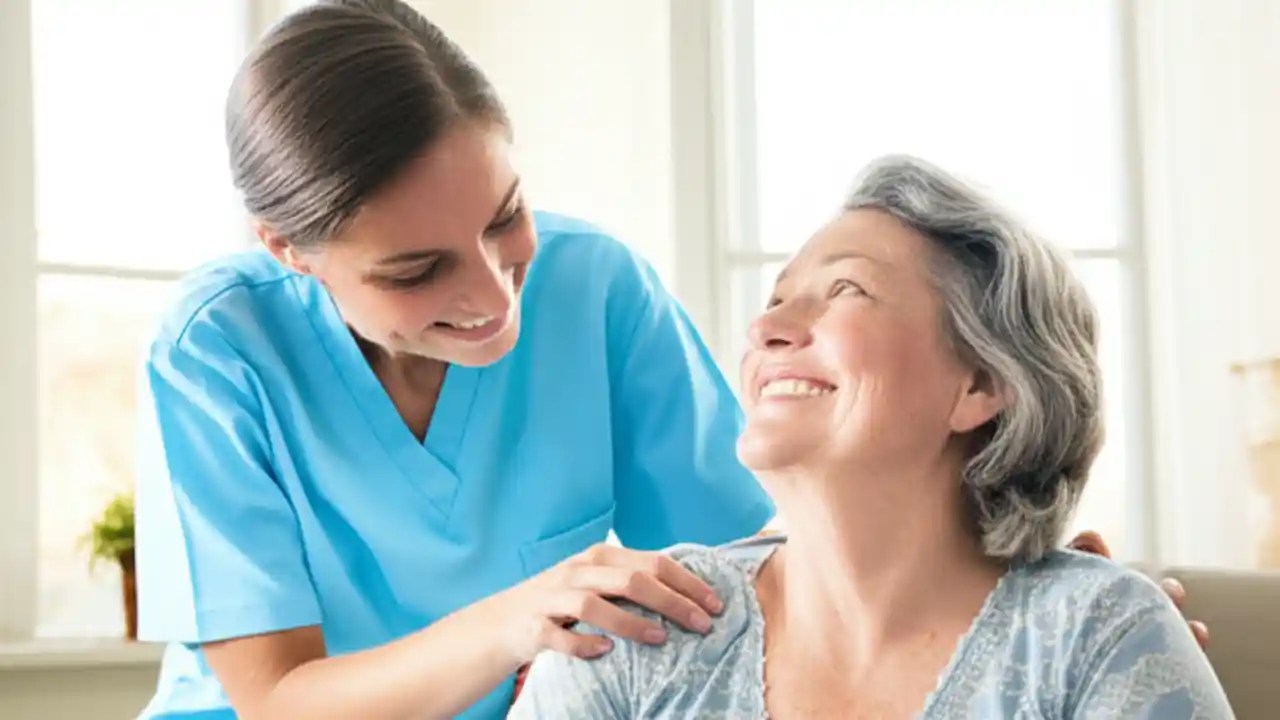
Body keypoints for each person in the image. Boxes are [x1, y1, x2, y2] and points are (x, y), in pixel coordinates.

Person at [133, 2, 1203, 718]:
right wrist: (520, 618)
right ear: (290, 251)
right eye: (416, 271)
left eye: (505, 220)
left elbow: (780, 547)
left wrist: (1022, 578)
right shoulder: (217, 351)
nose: (494, 293)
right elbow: (274, 698)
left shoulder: (596, 289)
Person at [509, 157, 1234, 718]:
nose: (766, 330)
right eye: (775, 299)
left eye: (846, 290)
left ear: (980, 383)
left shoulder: (1097, 634)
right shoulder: (632, 631)